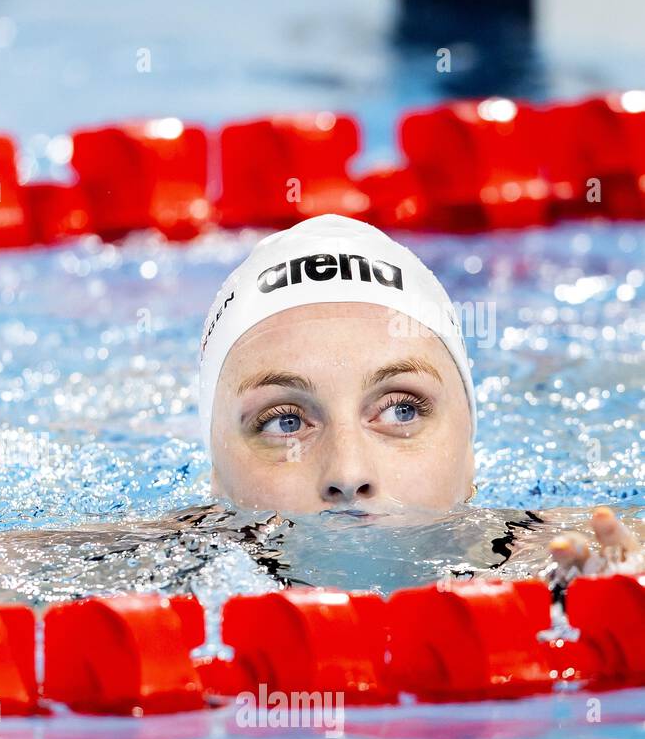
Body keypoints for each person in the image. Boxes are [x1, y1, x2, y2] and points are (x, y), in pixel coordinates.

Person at [196, 214, 642, 585]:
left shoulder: (592, 557)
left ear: (470, 454)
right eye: (286, 422)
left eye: (401, 410)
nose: (348, 476)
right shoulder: (139, 575)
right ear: (216, 475)